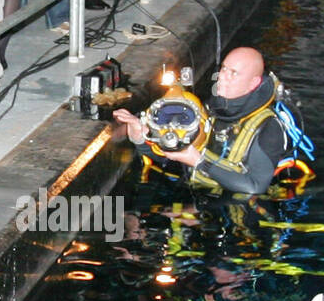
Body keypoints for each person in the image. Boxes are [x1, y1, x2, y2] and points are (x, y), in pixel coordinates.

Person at [115, 46, 310, 198]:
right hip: (201, 197)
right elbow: (170, 158)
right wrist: (140, 137)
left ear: (253, 83)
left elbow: (255, 187)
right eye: (224, 69)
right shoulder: (211, 109)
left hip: (249, 213)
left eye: (233, 73)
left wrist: (198, 162)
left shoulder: (268, 128)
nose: (223, 77)